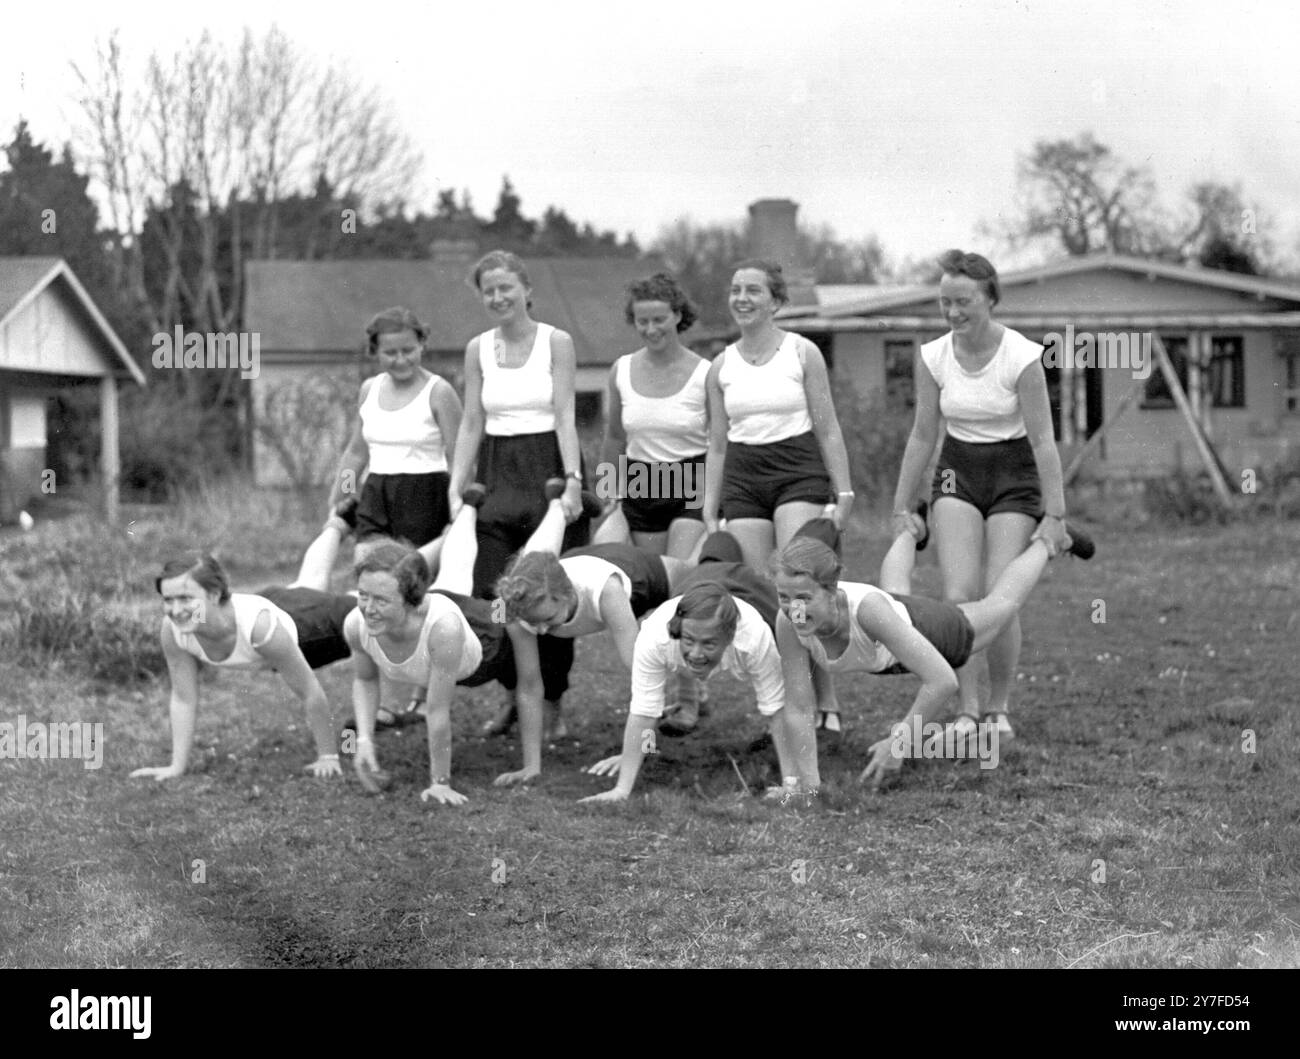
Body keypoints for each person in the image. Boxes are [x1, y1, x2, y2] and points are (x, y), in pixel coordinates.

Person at [770, 509, 1093, 792]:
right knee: (893, 591)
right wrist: (808, 790)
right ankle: (913, 528)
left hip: (928, 628)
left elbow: (942, 681)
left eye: (802, 598)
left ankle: (1049, 540)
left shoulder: (867, 611)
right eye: (784, 597)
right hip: (893, 624)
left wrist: (900, 743)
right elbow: (798, 708)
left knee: (1001, 608)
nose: (792, 609)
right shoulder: (789, 622)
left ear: (831, 590)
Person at [889, 250, 1073, 744]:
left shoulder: (1022, 356)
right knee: (957, 594)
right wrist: (901, 504)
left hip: (1014, 472)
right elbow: (923, 434)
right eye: (945, 302)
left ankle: (998, 706)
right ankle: (968, 709)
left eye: (963, 301)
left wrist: (1055, 512)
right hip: (957, 471)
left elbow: (1042, 441)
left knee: (1000, 596)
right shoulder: (933, 356)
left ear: (990, 298)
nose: (953, 313)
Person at [447, 250, 592, 739]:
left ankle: (551, 701)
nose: (498, 297)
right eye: (489, 290)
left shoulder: (558, 341)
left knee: (547, 590)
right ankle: (513, 696)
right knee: (495, 593)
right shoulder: (477, 349)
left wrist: (572, 479)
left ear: (526, 289)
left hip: (548, 471)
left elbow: (567, 413)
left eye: (506, 287)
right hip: (495, 475)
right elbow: (471, 422)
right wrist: (456, 483)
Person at [580, 530, 822, 804]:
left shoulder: (753, 637)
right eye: (689, 641)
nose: (695, 654)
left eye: (708, 644)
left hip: (748, 589)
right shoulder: (654, 638)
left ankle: (827, 715)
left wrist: (791, 782)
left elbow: (776, 710)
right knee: (715, 552)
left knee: (798, 639)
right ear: (678, 630)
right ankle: (718, 535)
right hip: (696, 584)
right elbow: (644, 713)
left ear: (729, 639)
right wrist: (623, 787)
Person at [343, 504, 546, 805]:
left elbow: (437, 711)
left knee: (511, 604)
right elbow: (364, 680)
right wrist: (363, 741)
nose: (369, 608)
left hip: (485, 639)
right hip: (440, 608)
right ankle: (467, 508)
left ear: (410, 600)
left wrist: (440, 783)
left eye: (381, 600)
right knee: (452, 578)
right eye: (363, 595)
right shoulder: (356, 625)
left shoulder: (444, 629)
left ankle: (554, 508)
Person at [132, 543, 357, 782]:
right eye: (168, 600)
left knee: (356, 608)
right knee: (308, 586)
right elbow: (183, 697)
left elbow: (310, 692)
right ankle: (339, 521)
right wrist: (176, 766)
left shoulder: (259, 628)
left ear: (214, 594)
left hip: (310, 631)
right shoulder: (174, 631)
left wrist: (328, 756)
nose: (176, 610)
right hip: (278, 601)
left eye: (186, 599)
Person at [329, 307, 462, 552]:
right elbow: (356, 452)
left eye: (408, 350)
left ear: (422, 344)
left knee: (409, 577)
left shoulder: (439, 392)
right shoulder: (369, 389)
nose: (401, 360)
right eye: (390, 352)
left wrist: (459, 508)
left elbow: (460, 457)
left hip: (425, 496)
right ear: (376, 352)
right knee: (367, 567)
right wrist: (343, 493)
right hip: (375, 496)